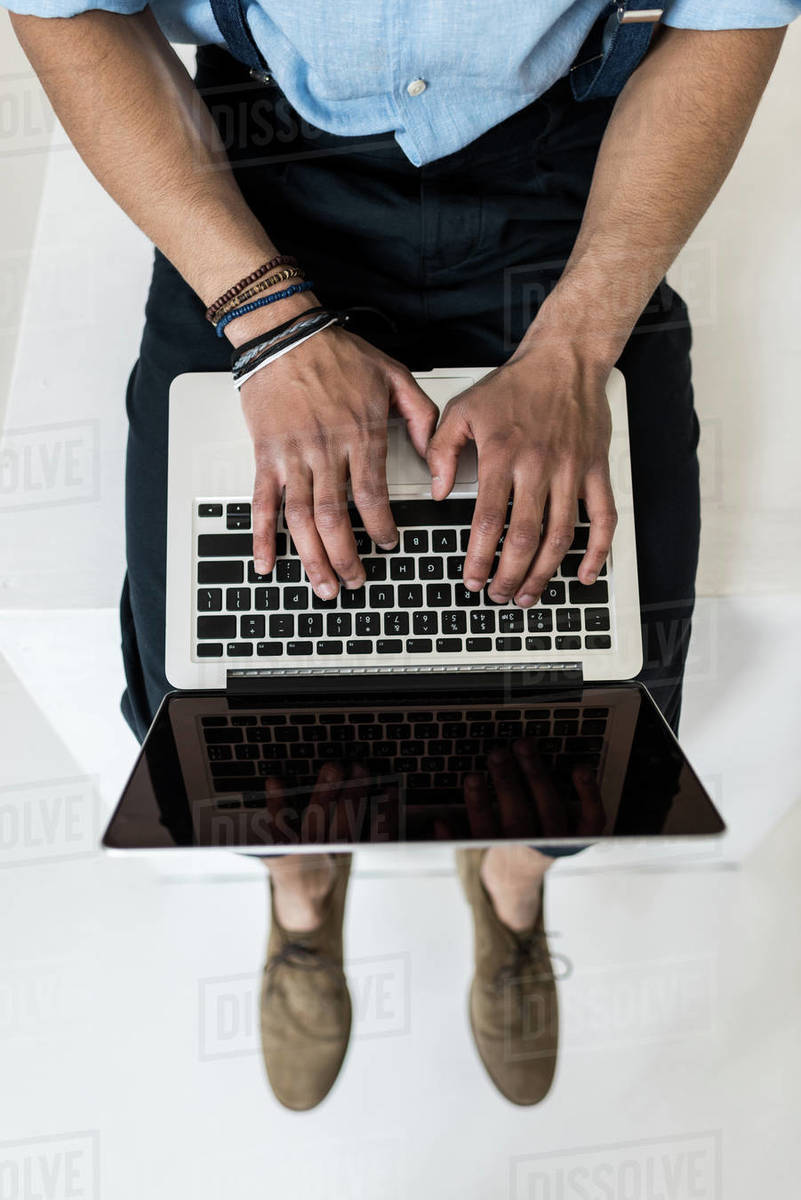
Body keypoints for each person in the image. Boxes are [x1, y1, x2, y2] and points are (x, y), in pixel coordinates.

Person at [7, 0, 796, 1107]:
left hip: (565, 175)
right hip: (260, 188)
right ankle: (300, 890)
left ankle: (513, 886)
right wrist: (272, 323)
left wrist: (575, 348)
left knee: (605, 712)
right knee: (211, 708)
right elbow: (64, 7)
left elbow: (730, 17)